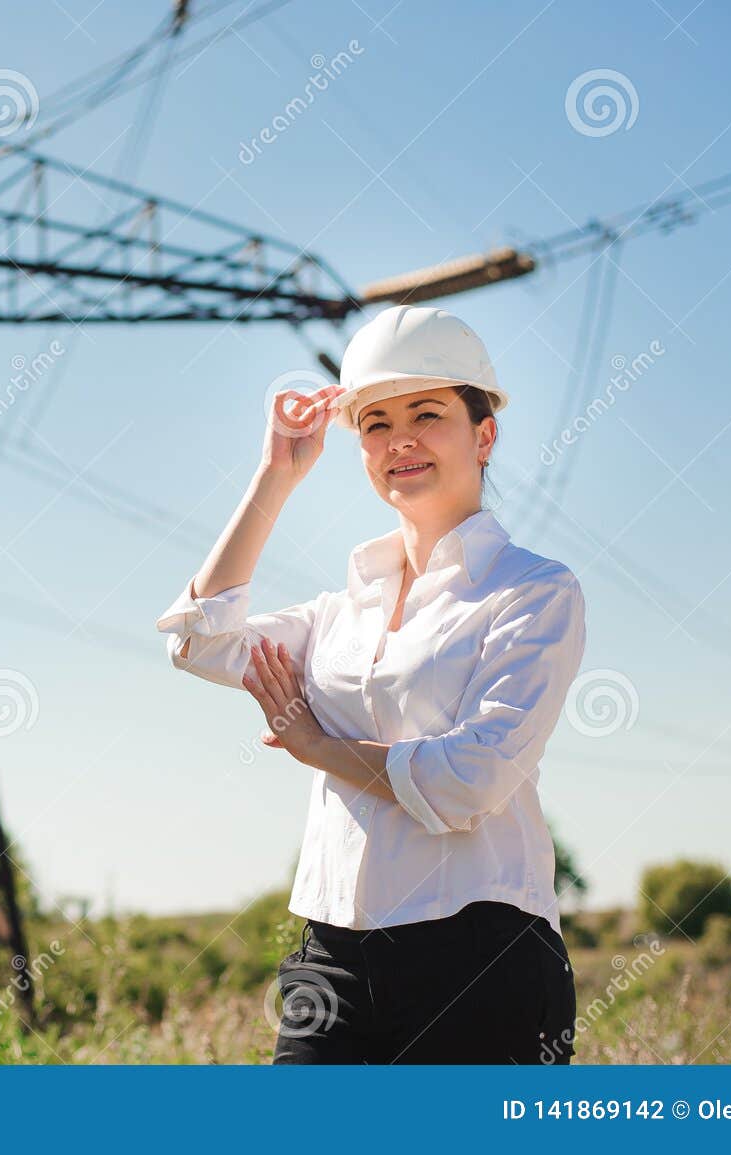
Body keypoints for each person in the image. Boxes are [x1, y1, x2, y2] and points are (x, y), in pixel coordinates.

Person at [155, 305, 585, 1064]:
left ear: (484, 434)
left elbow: (470, 779)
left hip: (482, 956)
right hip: (333, 957)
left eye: (428, 413)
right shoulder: (338, 614)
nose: (401, 440)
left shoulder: (532, 592)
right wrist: (275, 476)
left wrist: (319, 744)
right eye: (377, 423)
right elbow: (198, 640)